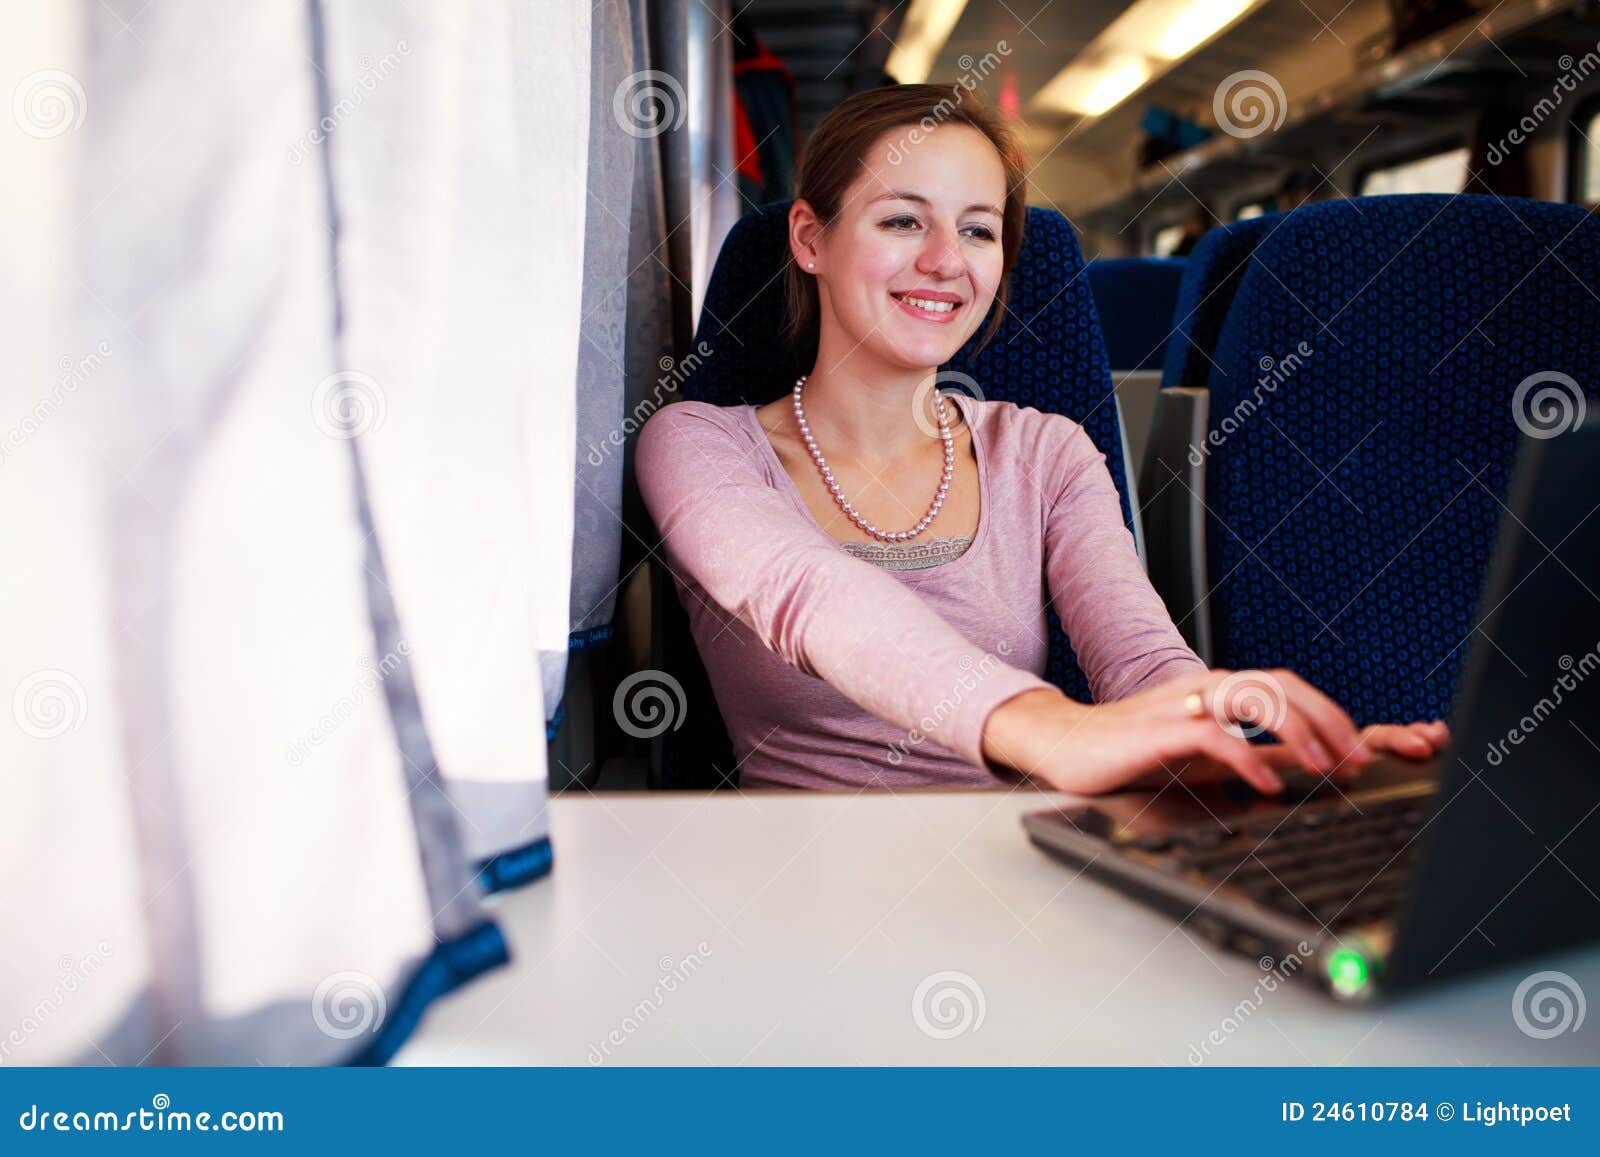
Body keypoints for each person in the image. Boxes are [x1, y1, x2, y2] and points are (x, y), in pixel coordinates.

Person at [635, 84, 1447, 793]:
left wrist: (1273, 767)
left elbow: (1142, 666)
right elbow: (812, 593)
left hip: (1024, 870)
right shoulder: (700, 443)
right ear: (811, 239)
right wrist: (1059, 730)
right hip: (797, 884)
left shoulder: (1048, 452)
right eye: (903, 219)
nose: (947, 260)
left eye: (980, 230)